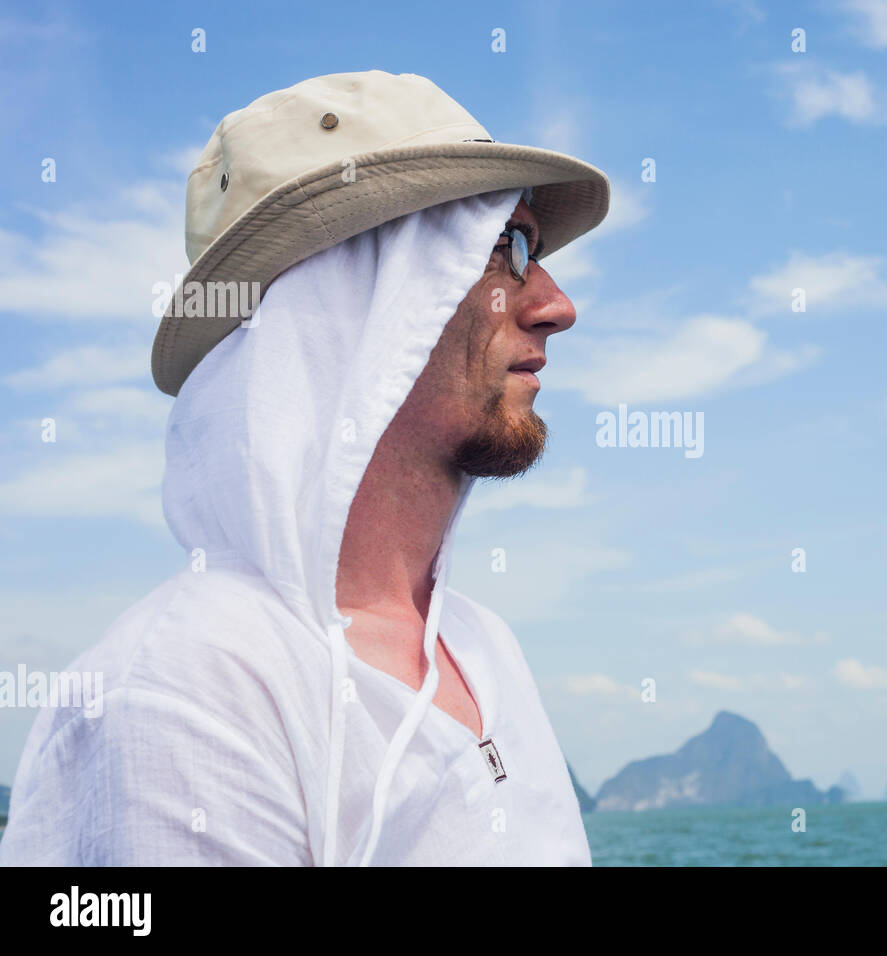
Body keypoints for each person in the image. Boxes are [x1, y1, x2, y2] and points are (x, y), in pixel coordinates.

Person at [0, 70, 610, 866]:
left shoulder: (483, 644)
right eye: (508, 247)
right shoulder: (187, 687)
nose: (557, 304)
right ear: (354, 294)